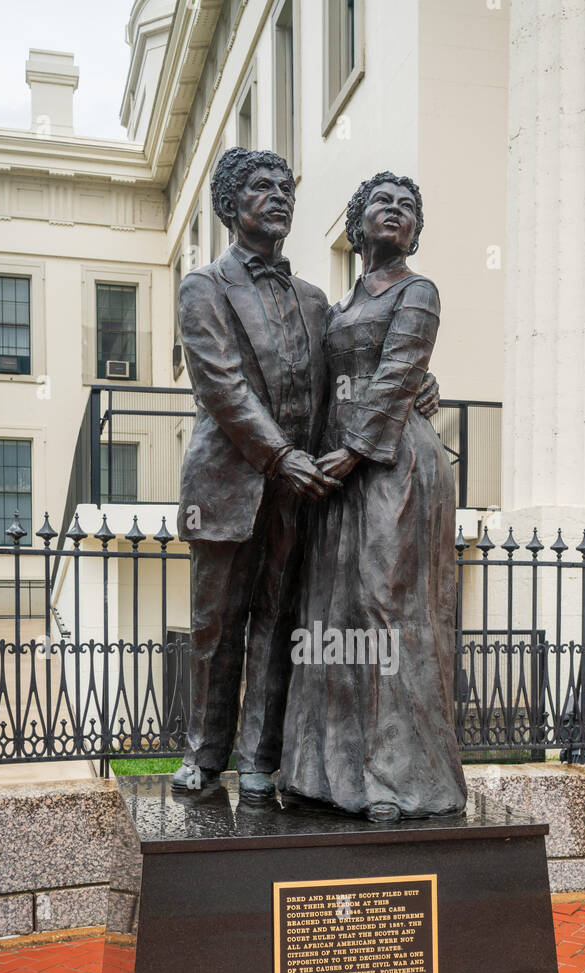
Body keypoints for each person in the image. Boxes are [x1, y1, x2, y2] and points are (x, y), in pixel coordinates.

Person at [173, 149, 438, 803]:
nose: (277, 197)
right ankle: (205, 758)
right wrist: (279, 456)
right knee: (215, 626)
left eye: (283, 188)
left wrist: (419, 381)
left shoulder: (316, 300)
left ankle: (260, 760)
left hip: (302, 496)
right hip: (233, 484)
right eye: (260, 188)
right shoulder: (203, 287)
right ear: (232, 206)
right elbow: (223, 386)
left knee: (277, 623)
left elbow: (359, 357)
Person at [278, 172, 468, 822]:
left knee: (387, 610)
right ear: (356, 227)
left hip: (392, 466)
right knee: (331, 615)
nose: (395, 212)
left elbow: (395, 374)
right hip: (338, 473)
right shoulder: (337, 309)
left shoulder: (419, 291)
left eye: (407, 207)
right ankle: (323, 774)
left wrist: (355, 449)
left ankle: (399, 779)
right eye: (382, 204)